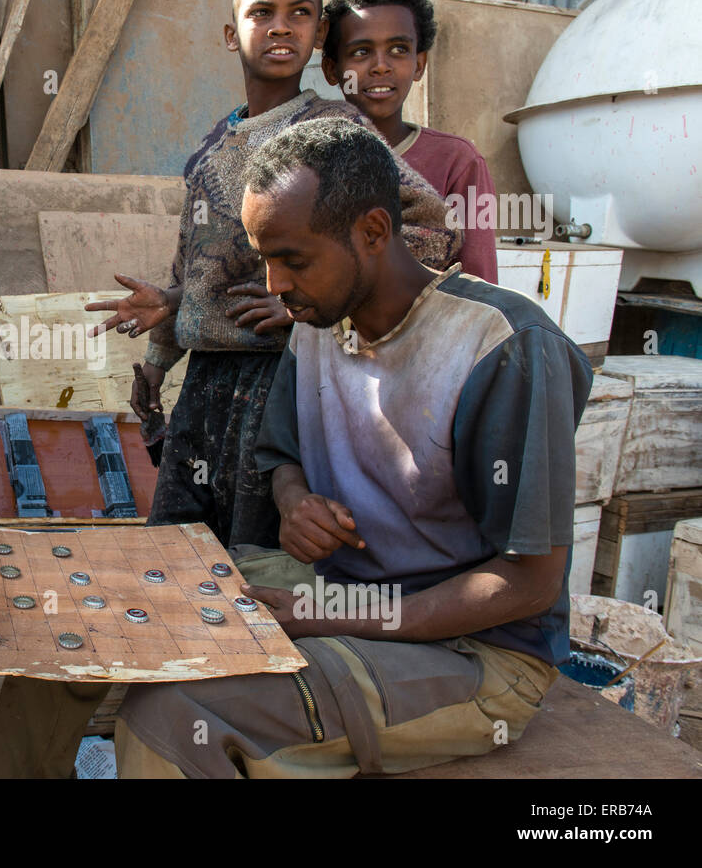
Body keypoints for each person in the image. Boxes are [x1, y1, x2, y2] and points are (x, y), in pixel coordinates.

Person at [0, 0, 459, 779]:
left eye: (302, 14)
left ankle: (228, 742)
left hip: (282, 395)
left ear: (316, 36)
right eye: (263, 12)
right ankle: (167, 734)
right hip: (207, 393)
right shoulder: (213, 147)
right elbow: (199, 273)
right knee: (174, 582)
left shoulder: (331, 135)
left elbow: (427, 227)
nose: (282, 27)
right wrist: (165, 330)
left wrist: (302, 305)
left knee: (254, 597)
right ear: (227, 31)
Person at [113, 117, 592, 778]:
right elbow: (281, 455)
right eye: (265, 258)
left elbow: (529, 584)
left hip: (477, 654)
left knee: (170, 716)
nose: (275, 284)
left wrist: (332, 614)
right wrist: (295, 500)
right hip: (344, 592)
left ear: (372, 232)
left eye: (293, 259)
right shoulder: (319, 318)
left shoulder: (504, 346)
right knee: (112, 615)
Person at [321, 0, 498, 282]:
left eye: (398, 49)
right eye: (360, 52)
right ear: (332, 69)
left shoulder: (456, 162)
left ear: (419, 65)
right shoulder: (312, 155)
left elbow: (479, 288)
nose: (380, 65)